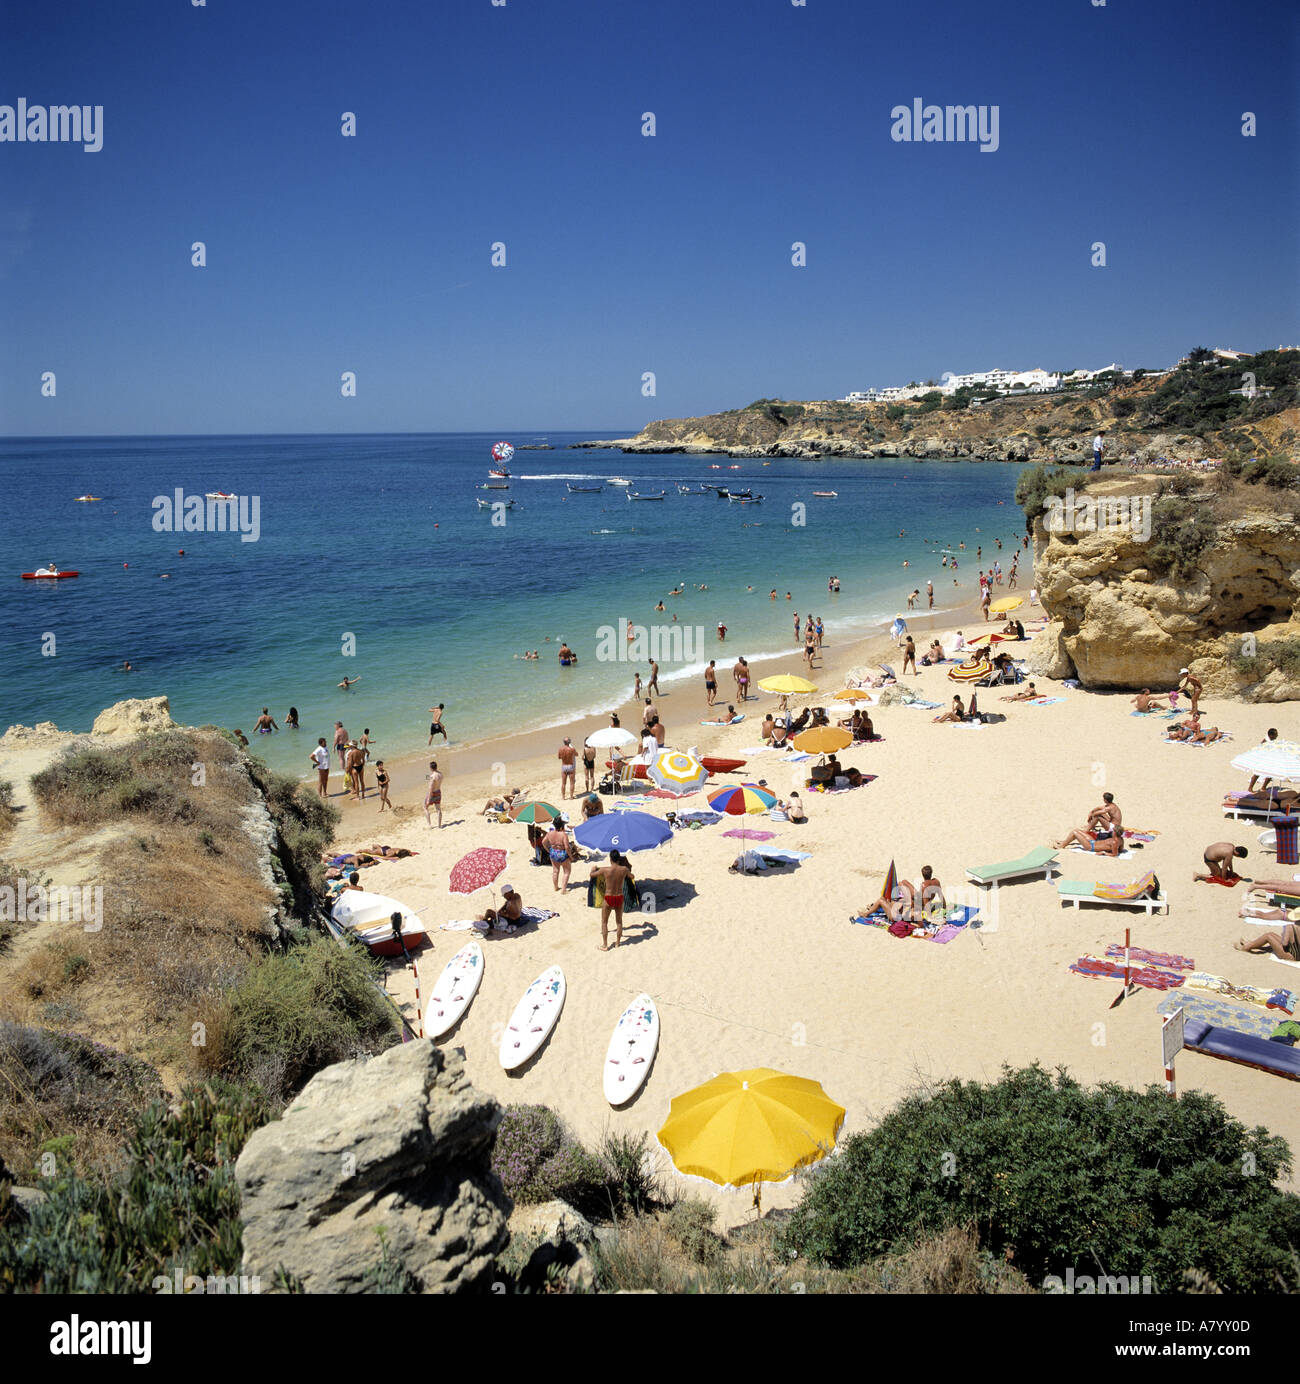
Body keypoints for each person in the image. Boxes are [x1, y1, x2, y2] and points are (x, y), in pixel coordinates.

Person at [591, 851, 632, 951]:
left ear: (610, 859)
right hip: (619, 897)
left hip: (609, 897)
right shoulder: (624, 870)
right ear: (619, 859)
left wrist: (592, 869)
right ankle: (618, 943)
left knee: (604, 922)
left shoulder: (605, 870)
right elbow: (632, 876)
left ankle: (605, 945)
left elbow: (592, 875)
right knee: (619, 922)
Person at [1235, 924, 1300, 962]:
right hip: (1293, 952)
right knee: (1271, 934)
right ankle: (1252, 944)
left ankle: (1247, 947)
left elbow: (1285, 943)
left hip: (1290, 956)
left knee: (1268, 936)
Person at [543, 821, 573, 893]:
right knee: (566, 872)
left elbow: (543, 842)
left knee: (555, 871)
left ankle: (556, 887)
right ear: (561, 827)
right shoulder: (563, 835)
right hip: (562, 853)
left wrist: (548, 850)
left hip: (553, 852)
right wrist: (571, 856)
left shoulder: (550, 833)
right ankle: (563, 890)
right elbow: (567, 847)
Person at [424, 760, 443, 827]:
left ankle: (429, 825)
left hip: (432, 793)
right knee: (438, 809)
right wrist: (428, 777)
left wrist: (429, 798)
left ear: (431, 768)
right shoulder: (440, 774)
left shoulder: (432, 776)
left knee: (425, 808)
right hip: (438, 792)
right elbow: (434, 779)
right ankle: (439, 825)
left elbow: (430, 788)